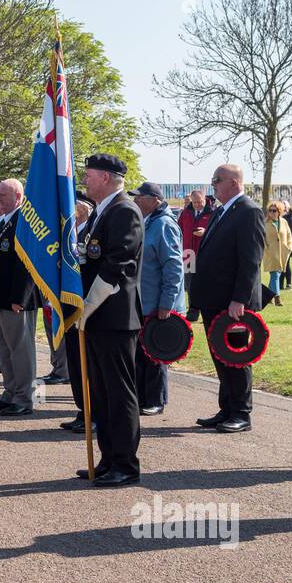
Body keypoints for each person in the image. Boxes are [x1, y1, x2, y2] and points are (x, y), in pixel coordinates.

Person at [75, 154, 144, 486]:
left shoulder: (124, 211)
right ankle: (107, 458)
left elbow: (117, 264)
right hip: (97, 316)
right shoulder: (101, 213)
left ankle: (125, 464)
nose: (84, 180)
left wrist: (87, 306)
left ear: (104, 177)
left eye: (88, 175)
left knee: (119, 393)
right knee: (101, 392)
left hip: (113, 316)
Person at [190, 163, 265, 434]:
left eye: (217, 180)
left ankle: (242, 413)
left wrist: (240, 299)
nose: (213, 185)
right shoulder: (223, 211)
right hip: (215, 299)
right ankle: (227, 408)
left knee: (236, 357)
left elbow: (251, 262)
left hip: (233, 304)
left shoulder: (249, 211)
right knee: (220, 356)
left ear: (234, 182)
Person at [130, 180, 185, 416]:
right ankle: (143, 397)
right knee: (141, 354)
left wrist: (167, 303)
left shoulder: (164, 225)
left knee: (155, 353)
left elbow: (173, 267)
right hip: (143, 300)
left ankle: (155, 399)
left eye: (139, 197)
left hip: (157, 303)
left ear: (154, 200)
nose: (135, 201)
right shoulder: (148, 222)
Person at [0, 178, 37, 417]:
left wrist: (20, 297)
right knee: (3, 349)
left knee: (20, 349)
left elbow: (27, 265)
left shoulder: (24, 221)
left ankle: (24, 397)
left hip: (16, 300)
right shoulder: (2, 223)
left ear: (18, 197)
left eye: (4, 195)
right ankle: (10, 392)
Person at [62, 192, 97, 430]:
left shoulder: (91, 232)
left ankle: (93, 412)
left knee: (88, 363)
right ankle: (82, 409)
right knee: (74, 361)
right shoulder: (70, 235)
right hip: (70, 306)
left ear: (82, 209)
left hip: (87, 306)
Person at [178, 188, 215, 299]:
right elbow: (178, 230)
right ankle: (192, 312)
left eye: (200, 202)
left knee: (204, 283)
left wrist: (205, 233)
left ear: (205, 199)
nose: (197, 205)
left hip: (205, 255)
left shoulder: (213, 213)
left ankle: (205, 307)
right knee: (189, 284)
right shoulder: (185, 213)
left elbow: (219, 233)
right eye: (194, 202)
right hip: (188, 254)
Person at [262, 201, 292, 306]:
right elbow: (261, 237)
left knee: (275, 275)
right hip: (271, 253)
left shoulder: (284, 222)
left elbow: (289, 235)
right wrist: (266, 248)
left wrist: (289, 247)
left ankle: (267, 297)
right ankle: (277, 298)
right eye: (270, 210)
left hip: (282, 253)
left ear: (279, 211)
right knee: (275, 274)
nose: (271, 212)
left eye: (274, 210)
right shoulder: (265, 222)